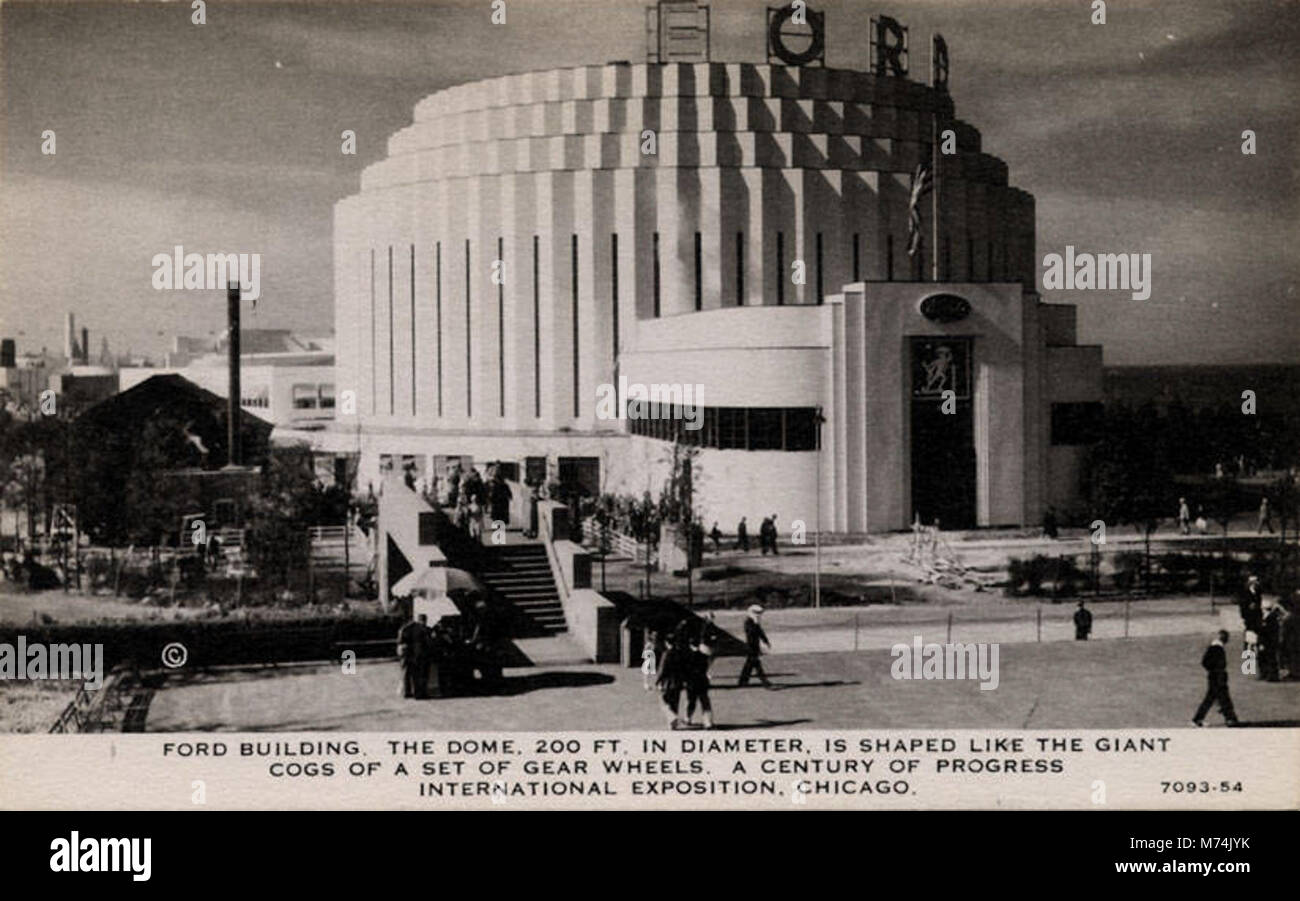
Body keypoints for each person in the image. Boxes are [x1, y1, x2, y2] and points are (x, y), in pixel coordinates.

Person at [1192, 630, 1239, 727]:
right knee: (1224, 699)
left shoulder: (1213, 647)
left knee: (1211, 699)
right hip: (1218, 678)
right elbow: (1220, 665)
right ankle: (1231, 719)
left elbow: (1205, 662)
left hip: (1213, 677)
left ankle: (1197, 719)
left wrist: (1211, 670)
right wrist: (1217, 672)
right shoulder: (1218, 648)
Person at [655, 623, 691, 729]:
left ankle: (671, 718)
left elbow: (662, 670)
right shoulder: (679, 653)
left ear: (667, 643)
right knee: (675, 703)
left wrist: (658, 681)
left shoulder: (666, 655)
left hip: (667, 682)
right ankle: (673, 725)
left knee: (664, 702)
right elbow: (684, 668)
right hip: (678, 682)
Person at [683, 622, 715, 729]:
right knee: (705, 701)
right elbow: (707, 666)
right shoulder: (703, 656)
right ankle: (708, 721)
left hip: (691, 682)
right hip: (702, 681)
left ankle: (688, 718)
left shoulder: (687, 657)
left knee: (691, 701)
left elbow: (685, 671)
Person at [396, 614, 433, 699]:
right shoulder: (421, 629)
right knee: (419, 675)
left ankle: (408, 692)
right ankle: (418, 693)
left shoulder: (406, 629)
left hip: (410, 654)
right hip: (418, 655)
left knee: (408, 674)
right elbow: (426, 643)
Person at [739, 604, 772, 688]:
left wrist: (766, 641)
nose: (759, 615)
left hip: (755, 646)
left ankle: (742, 681)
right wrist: (756, 624)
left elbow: (760, 632)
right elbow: (751, 633)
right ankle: (764, 681)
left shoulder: (754, 622)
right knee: (756, 664)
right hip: (751, 646)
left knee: (749, 665)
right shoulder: (748, 622)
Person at [1258, 599, 1282, 682]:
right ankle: (1268, 674)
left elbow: (1267, 631)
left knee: (1270, 658)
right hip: (1269, 641)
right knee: (1268, 658)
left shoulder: (1270, 618)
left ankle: (1272, 676)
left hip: (1269, 642)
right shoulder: (1270, 617)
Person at [1239, 574, 1264, 647]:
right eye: (1255, 582)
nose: (1256, 583)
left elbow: (1259, 603)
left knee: (1257, 635)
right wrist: (1247, 610)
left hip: (1257, 616)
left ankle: (1255, 650)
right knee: (1249, 636)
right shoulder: (1245, 592)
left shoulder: (1258, 591)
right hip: (1249, 617)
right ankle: (1248, 654)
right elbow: (1242, 605)